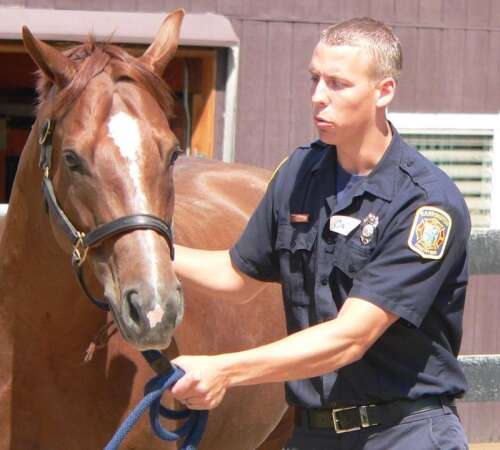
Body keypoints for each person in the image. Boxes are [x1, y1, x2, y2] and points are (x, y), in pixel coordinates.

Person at [171, 17, 470, 450]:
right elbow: (237, 276)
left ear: (383, 92)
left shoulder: (425, 204)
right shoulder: (299, 173)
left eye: (338, 84)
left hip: (403, 433)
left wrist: (225, 370)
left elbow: (350, 338)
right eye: (314, 79)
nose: (317, 98)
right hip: (312, 433)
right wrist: (154, 249)